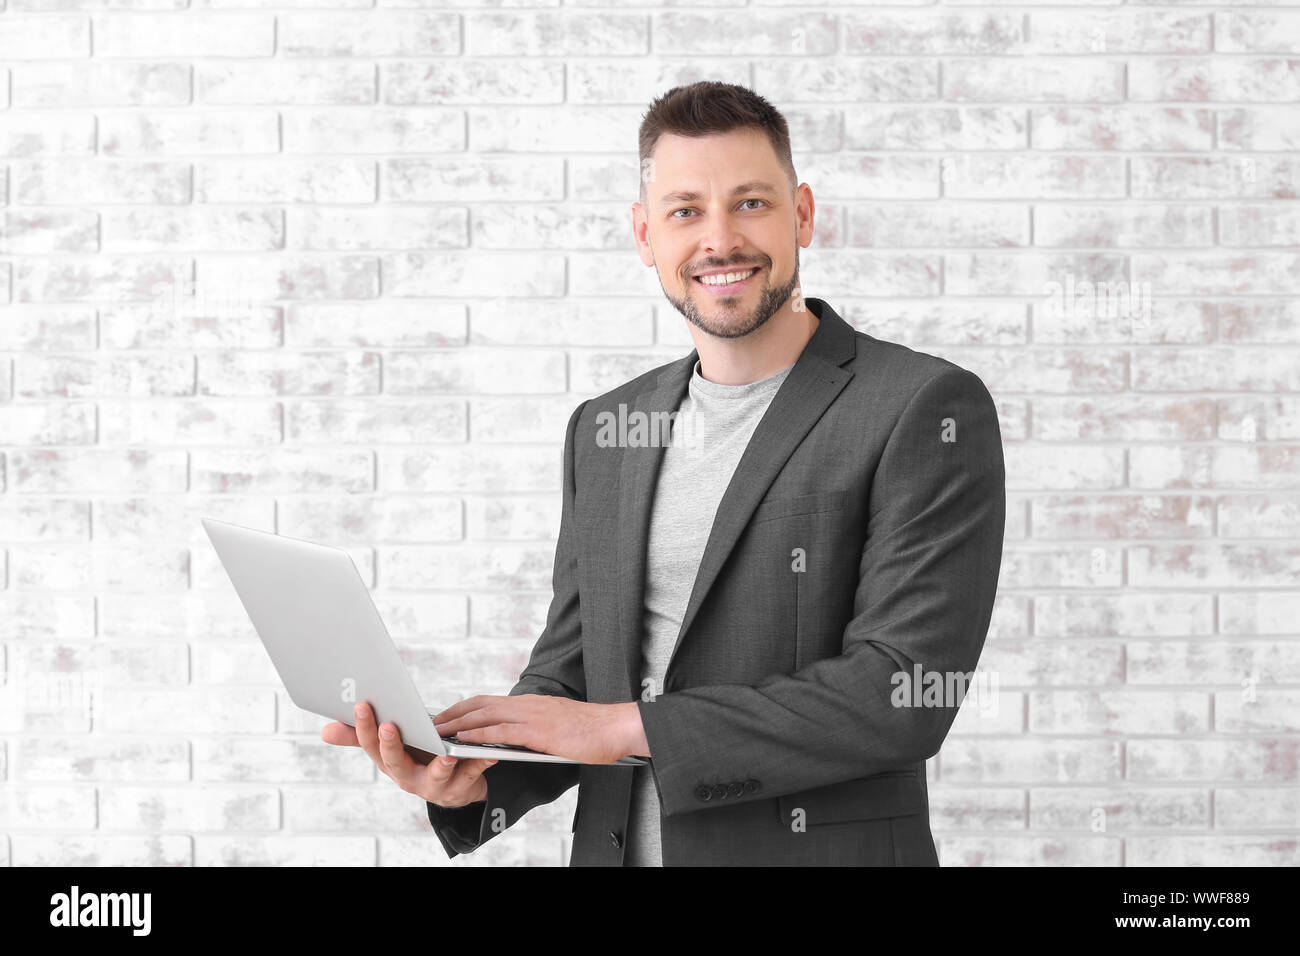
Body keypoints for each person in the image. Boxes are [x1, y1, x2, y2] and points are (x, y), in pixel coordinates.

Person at [323, 80, 1006, 866]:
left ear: (803, 215)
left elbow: (901, 693)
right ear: (646, 235)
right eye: (686, 211)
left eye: (751, 203)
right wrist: (476, 779)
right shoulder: (606, 429)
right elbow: (573, 676)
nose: (720, 240)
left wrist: (624, 728)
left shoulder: (918, 406)